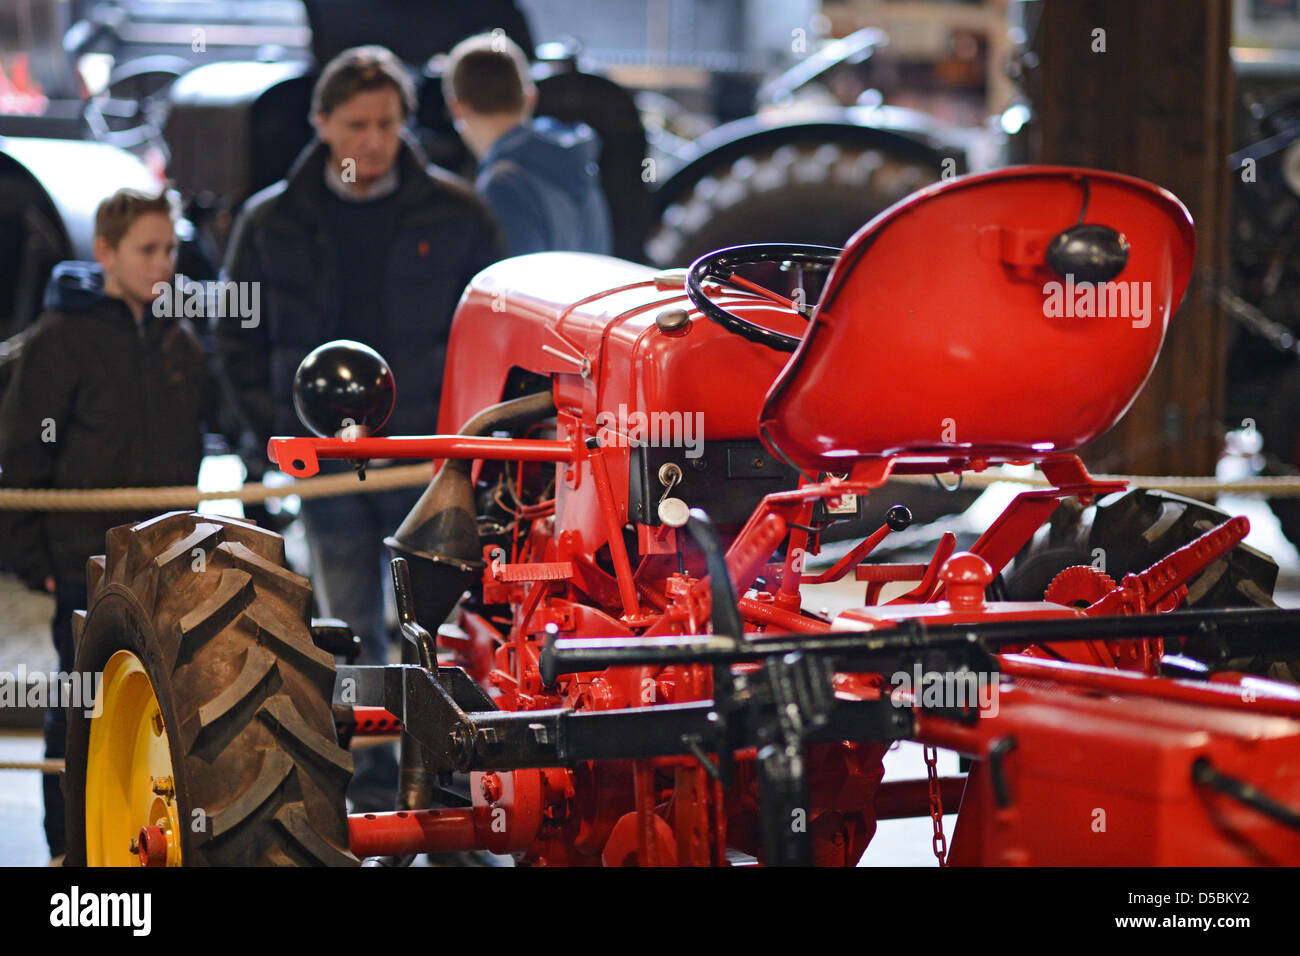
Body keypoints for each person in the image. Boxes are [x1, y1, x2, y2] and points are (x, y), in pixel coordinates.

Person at [216, 45, 504, 811]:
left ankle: (444, 776)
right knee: (347, 626)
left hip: (426, 459)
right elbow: (236, 336)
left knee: (436, 628)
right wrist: (272, 429)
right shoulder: (271, 219)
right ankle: (370, 782)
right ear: (322, 123)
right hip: (328, 463)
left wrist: (470, 440)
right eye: (355, 125)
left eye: (386, 123)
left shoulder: (457, 214)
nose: (372, 141)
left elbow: (493, 336)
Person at [0, 187, 218, 860]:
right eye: (147, 250)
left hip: (164, 558)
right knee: (82, 704)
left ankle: (141, 834)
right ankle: (67, 846)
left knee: (159, 701)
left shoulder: (178, 338)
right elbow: (22, 453)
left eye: (170, 249)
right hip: (84, 560)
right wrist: (36, 558)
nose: (164, 264)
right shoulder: (60, 339)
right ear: (106, 253)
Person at [443, 33, 613, 256]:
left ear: (457, 107)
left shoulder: (501, 186)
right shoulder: (580, 164)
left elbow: (513, 277)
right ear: (531, 98)